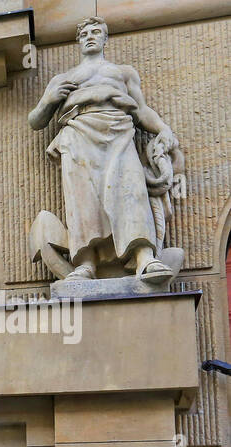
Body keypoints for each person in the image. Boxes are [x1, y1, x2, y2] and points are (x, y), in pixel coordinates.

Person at [28, 16, 181, 284]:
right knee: (83, 201)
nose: (90, 36)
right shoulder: (63, 79)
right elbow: (36, 120)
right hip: (79, 136)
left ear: (104, 38)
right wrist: (49, 99)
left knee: (130, 190)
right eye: (84, 32)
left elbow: (142, 110)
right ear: (78, 40)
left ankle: (144, 256)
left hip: (119, 133)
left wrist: (163, 129)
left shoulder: (123, 73)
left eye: (96, 32)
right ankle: (86, 263)